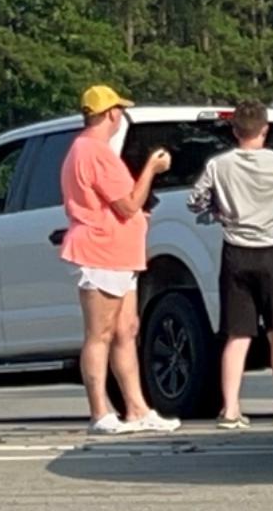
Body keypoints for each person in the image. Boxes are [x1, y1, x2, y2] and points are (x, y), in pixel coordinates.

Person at [186, 100, 273, 429]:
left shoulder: (219, 165)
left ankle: (231, 409)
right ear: (265, 130)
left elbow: (195, 201)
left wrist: (218, 212)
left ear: (235, 131)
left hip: (236, 251)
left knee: (237, 334)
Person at [59, 85, 183, 436]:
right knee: (99, 333)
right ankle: (100, 412)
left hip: (119, 252)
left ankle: (137, 408)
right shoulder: (94, 152)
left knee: (126, 330)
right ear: (111, 113)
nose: (120, 117)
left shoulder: (90, 150)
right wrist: (151, 168)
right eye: (119, 112)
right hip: (101, 251)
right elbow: (127, 203)